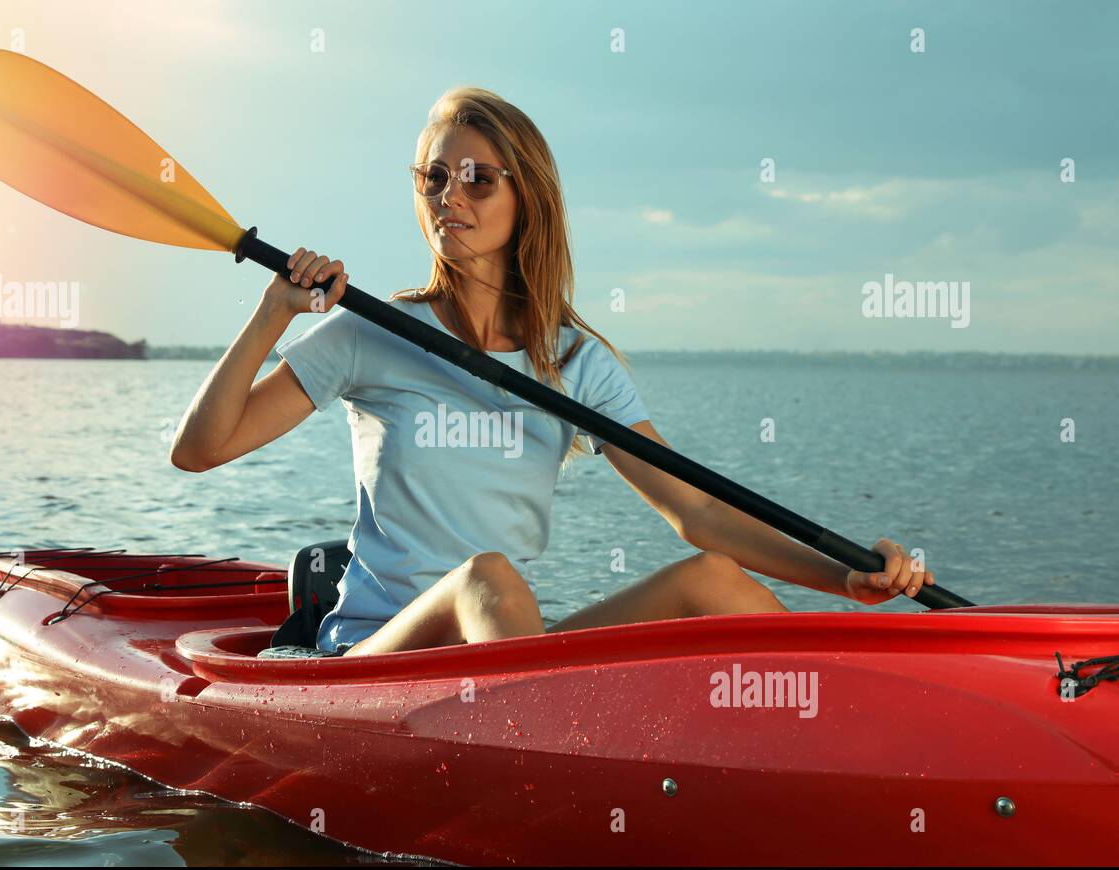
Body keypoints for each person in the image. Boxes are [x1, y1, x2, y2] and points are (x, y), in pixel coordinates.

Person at [170, 87, 936, 656]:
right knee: (488, 576)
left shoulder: (573, 362)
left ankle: (850, 739)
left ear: (524, 196)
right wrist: (273, 312)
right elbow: (199, 450)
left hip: (504, 653)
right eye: (434, 177)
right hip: (375, 657)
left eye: (478, 178)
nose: (450, 197)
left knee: (713, 579)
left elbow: (698, 514)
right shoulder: (370, 334)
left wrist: (848, 580)